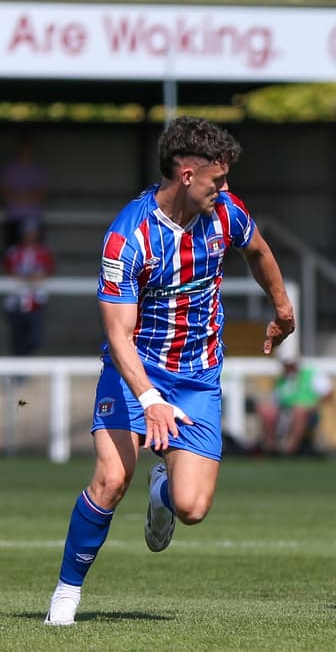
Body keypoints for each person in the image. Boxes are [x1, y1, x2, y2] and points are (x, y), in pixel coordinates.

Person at [43, 117, 296, 626]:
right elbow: (118, 335)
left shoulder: (226, 212)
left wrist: (283, 309)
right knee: (112, 479)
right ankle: (67, 593)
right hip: (133, 369)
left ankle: (163, 492)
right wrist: (149, 398)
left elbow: (259, 251)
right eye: (216, 181)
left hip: (198, 375)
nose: (224, 190)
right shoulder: (128, 236)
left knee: (193, 507)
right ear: (186, 174)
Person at [257, 357, 335, 456]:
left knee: (299, 410)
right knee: (265, 410)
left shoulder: (311, 374)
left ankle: (291, 449)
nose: (289, 368)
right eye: (286, 365)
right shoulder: (281, 380)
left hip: (309, 413)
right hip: (285, 412)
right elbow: (275, 401)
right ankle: (272, 448)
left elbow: (328, 395)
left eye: (291, 365)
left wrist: (313, 406)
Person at [3, 219, 54, 356]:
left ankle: (24, 371)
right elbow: (8, 271)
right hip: (17, 300)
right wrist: (25, 278)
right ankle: (17, 374)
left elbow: (49, 271)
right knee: (17, 338)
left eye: (32, 233)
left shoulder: (44, 252)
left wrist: (37, 277)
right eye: (27, 233)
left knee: (34, 339)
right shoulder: (13, 251)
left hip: (36, 300)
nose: (30, 236)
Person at [2, 133, 48, 249]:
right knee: (13, 252)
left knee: (34, 252)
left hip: (33, 217)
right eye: (24, 147)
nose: (26, 150)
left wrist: (19, 196)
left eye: (28, 147)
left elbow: (41, 194)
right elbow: (6, 193)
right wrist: (28, 195)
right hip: (14, 217)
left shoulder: (37, 169)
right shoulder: (10, 169)